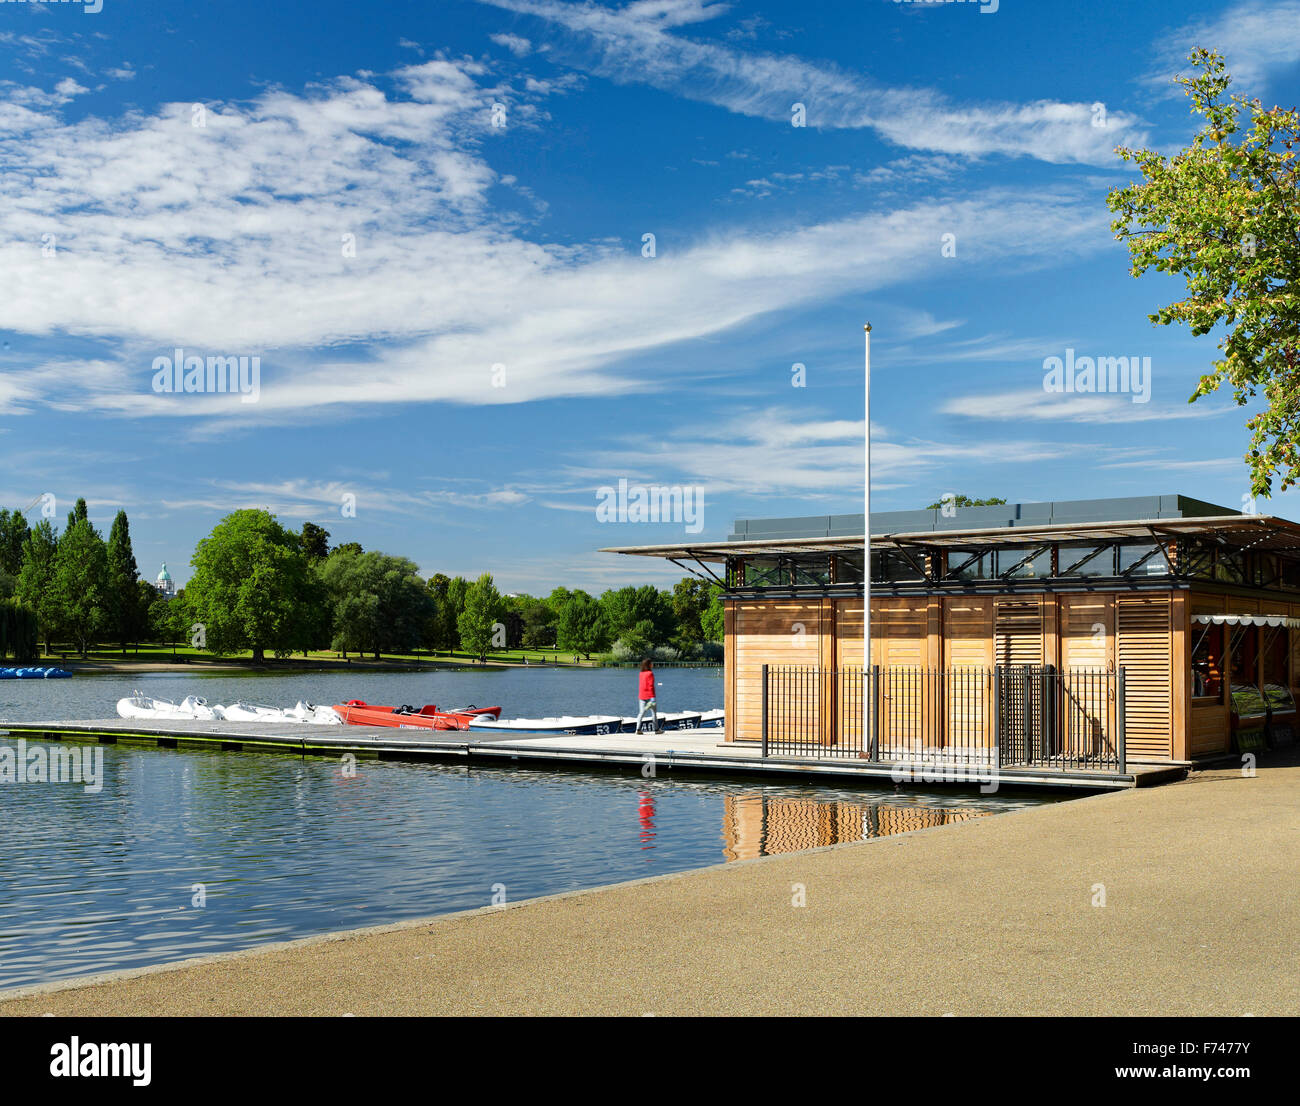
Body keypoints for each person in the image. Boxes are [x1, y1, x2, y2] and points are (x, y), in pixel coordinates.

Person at [634, 658, 660, 734]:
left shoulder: (640, 673)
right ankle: (656, 730)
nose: (652, 665)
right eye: (651, 663)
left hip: (641, 696)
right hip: (650, 696)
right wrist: (653, 698)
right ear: (648, 665)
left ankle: (637, 729)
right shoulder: (650, 673)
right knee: (654, 713)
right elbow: (650, 686)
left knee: (641, 713)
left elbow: (642, 685)